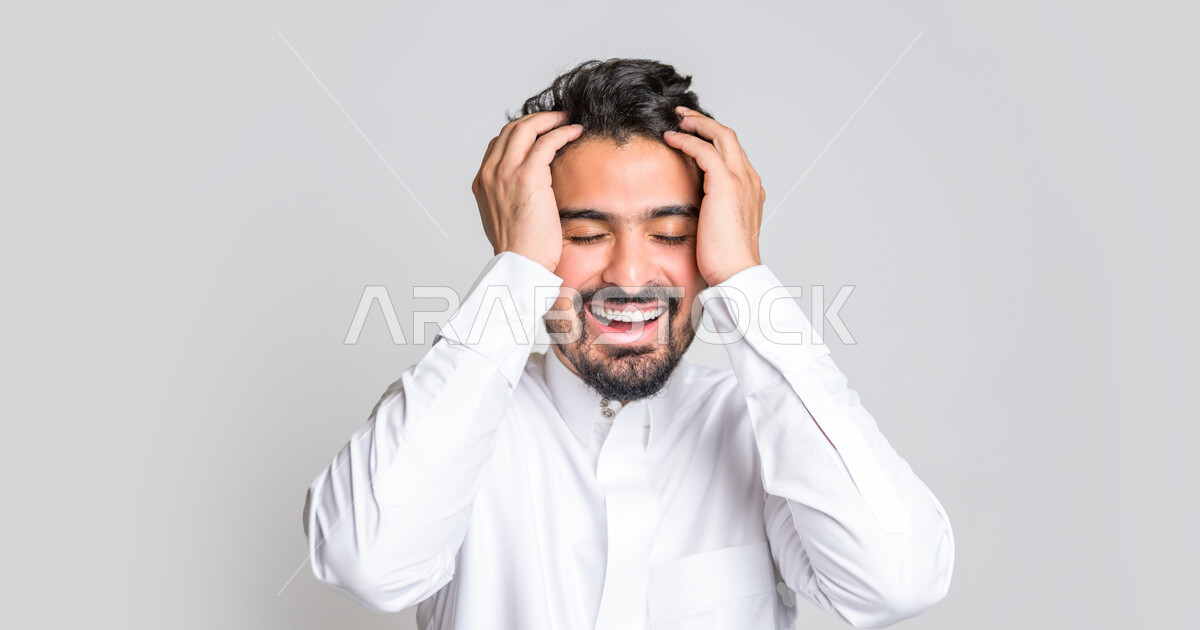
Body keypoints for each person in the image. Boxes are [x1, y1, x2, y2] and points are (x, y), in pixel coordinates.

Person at [302, 58, 954, 630]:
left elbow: (896, 580)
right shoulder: (450, 419)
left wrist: (745, 280)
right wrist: (514, 274)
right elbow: (365, 564)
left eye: (670, 232)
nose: (631, 276)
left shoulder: (760, 431)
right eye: (585, 235)